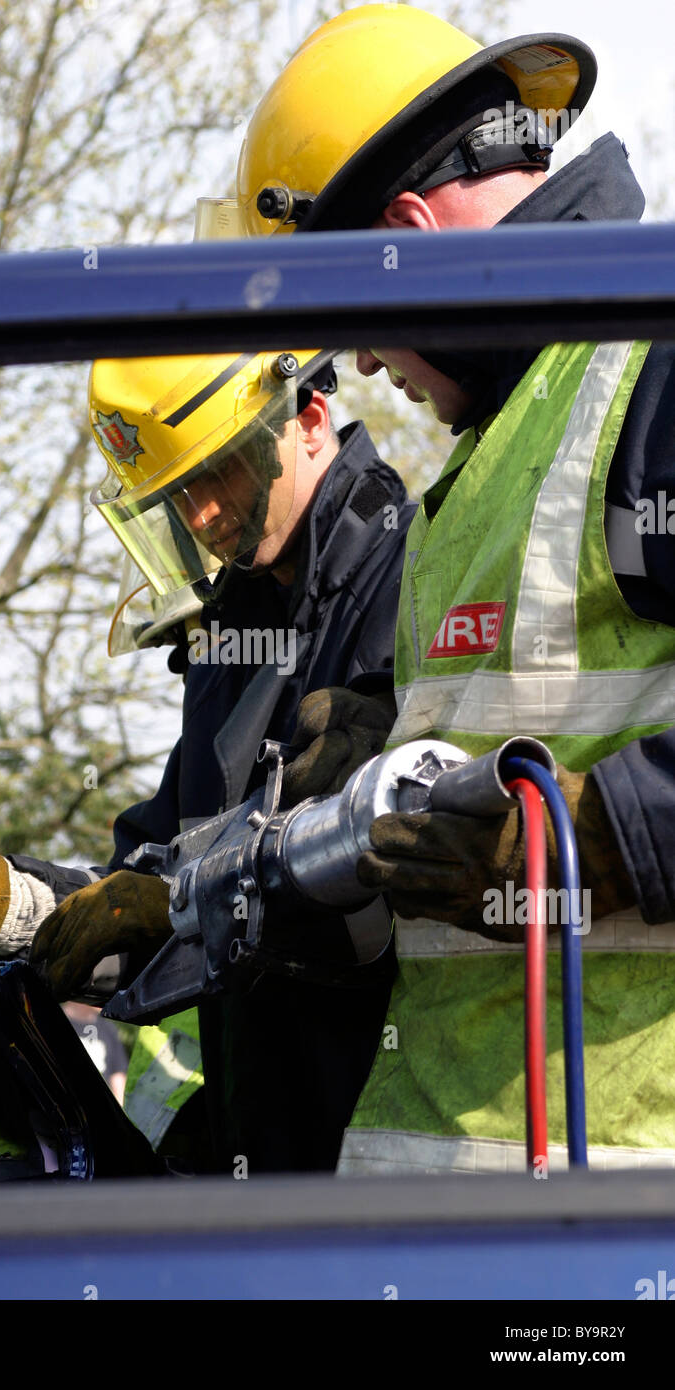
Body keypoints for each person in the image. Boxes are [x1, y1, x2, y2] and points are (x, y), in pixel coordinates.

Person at [233, 5, 675, 1173]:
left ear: (413, 233)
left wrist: (602, 834)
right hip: (455, 1193)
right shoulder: (483, 464)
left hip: (613, 1199)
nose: (368, 364)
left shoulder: (653, 376)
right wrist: (389, 733)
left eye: (360, 324)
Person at [0, 346, 415, 1173]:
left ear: (308, 420)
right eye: (173, 497)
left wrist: (183, 904)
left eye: (219, 473)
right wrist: (10, 901)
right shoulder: (232, 632)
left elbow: (377, 880)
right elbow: (148, 879)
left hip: (387, 1151)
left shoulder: (416, 574)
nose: (199, 517)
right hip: (266, 1148)